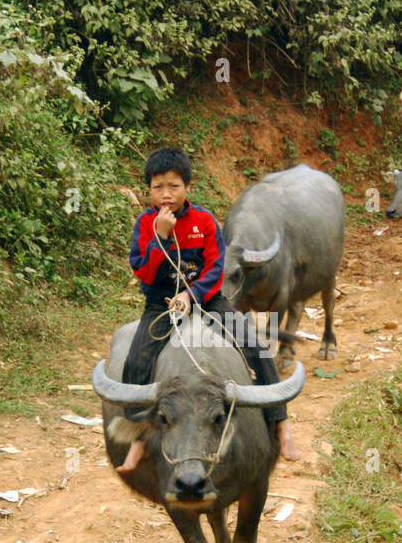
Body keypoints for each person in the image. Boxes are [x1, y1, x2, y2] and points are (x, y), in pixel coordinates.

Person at [115, 148, 301, 472]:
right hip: (162, 303)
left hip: (208, 300)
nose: (166, 194)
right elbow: (143, 272)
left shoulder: (205, 221)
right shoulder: (145, 224)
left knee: (257, 346)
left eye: (173, 186)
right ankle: (140, 436)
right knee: (136, 360)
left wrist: (192, 295)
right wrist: (160, 237)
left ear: (188, 186)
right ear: (149, 191)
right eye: (158, 187)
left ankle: (281, 423)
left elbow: (216, 269)